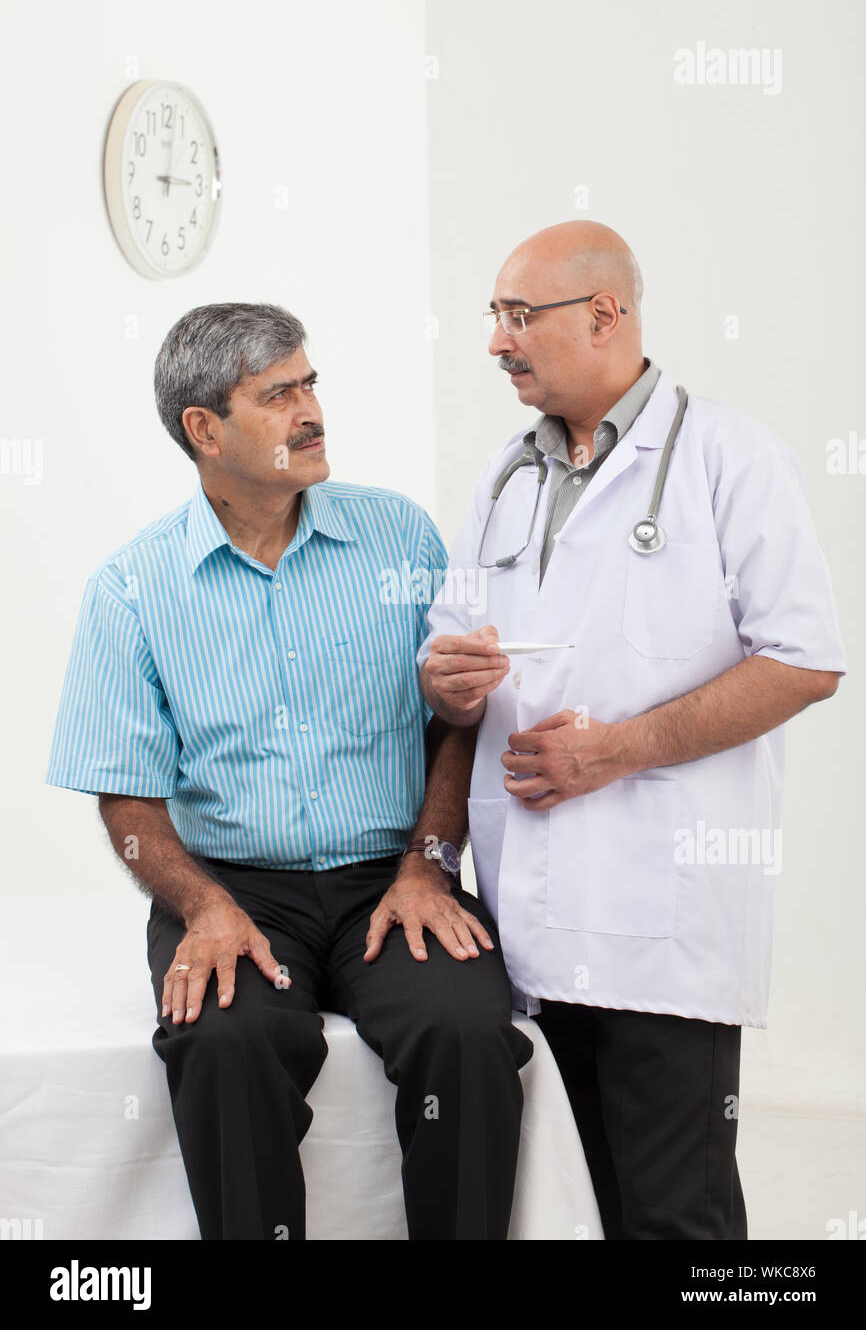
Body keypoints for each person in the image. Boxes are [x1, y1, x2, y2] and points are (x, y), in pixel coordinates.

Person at [46, 301, 533, 1241]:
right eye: (277, 395)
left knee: (468, 1036)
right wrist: (202, 905)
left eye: (310, 384)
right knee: (225, 1042)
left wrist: (431, 863)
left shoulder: (400, 540)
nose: (311, 411)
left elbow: (454, 722)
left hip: (391, 879)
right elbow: (127, 796)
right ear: (204, 429)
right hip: (234, 887)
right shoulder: (132, 589)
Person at [417, 221, 846, 1240]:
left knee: (676, 1216)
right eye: (492, 316)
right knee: (573, 1208)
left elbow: (804, 660)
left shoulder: (729, 459)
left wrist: (619, 749)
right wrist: (447, 678)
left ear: (603, 315)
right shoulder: (503, 478)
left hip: (661, 921)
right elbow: (448, 667)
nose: (494, 340)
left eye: (518, 316)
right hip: (527, 915)